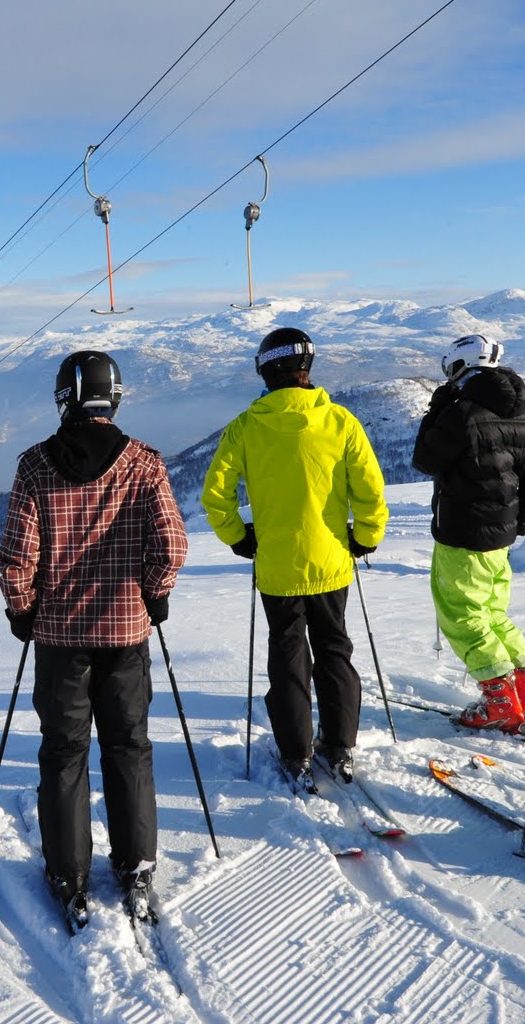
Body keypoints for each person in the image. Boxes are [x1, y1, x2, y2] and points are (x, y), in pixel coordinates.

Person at [0, 349, 189, 932]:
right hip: (126, 632)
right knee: (129, 747)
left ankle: (68, 874)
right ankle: (137, 867)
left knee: (64, 752)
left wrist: (22, 610)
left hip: (59, 639)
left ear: (64, 400)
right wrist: (153, 595)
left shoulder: (35, 465)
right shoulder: (143, 464)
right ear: (116, 396)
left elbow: (16, 557)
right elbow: (172, 546)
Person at [200, 327, 388, 790]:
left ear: (265, 370)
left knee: (287, 657)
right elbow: (369, 489)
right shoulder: (341, 422)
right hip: (331, 561)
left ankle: (295, 750)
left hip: (278, 566)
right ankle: (340, 743)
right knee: (334, 651)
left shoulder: (247, 426)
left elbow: (215, 495)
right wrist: (365, 537)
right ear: (308, 369)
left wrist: (238, 537)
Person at [412, 333, 525, 733]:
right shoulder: (524, 414)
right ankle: (524, 695)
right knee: (492, 613)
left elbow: (425, 460)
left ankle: (499, 703)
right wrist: (518, 522)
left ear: (460, 368)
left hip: (462, 534)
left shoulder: (463, 413)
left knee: (462, 616)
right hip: (500, 539)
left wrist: (436, 412)